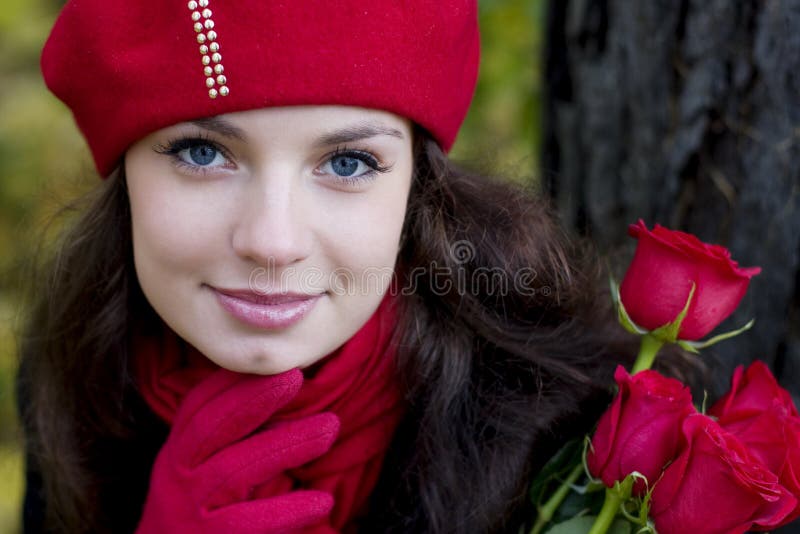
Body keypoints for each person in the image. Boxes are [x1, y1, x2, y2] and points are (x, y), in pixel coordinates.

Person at [16, 1, 641, 532]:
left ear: (418, 189)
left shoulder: (571, 430)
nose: (272, 241)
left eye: (347, 164)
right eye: (203, 153)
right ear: (124, 174)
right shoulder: (79, 379)